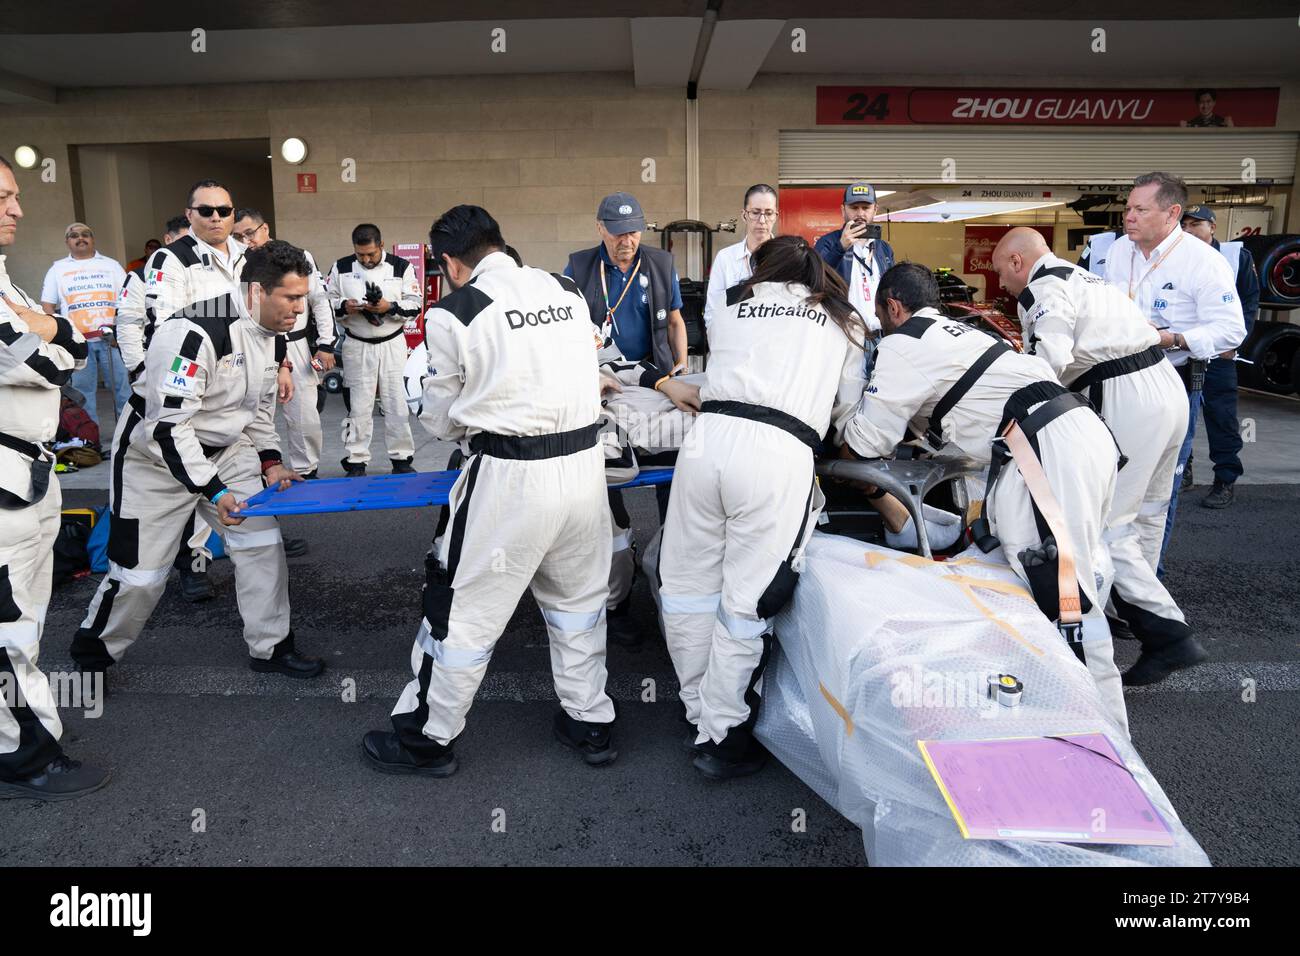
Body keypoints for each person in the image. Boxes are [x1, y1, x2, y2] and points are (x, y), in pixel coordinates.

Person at [363, 205, 616, 777]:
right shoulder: (567, 288)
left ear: (451, 263)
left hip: (509, 479)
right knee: (578, 606)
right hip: (584, 470)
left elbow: (442, 419)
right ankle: (590, 722)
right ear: (501, 243)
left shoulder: (455, 313)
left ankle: (427, 739)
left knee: (461, 615)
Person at [839, 263, 1129, 733]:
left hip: (1039, 450)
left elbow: (867, 440)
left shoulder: (902, 343)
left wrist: (841, 441)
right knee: (1069, 572)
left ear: (893, 306)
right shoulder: (968, 332)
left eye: (880, 317)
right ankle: (1051, 713)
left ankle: (1102, 735)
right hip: (1078, 433)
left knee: (1063, 593)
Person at [69, 241, 326, 685]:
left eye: (303, 297)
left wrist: (270, 462)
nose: (299, 310)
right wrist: (216, 492)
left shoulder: (272, 331)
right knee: (140, 578)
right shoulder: (191, 333)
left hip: (225, 453)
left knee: (262, 547)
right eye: (291, 298)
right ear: (255, 291)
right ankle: (94, 654)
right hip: (153, 461)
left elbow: (258, 407)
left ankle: (270, 647)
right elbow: (167, 427)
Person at [658, 236, 867, 779]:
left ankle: (695, 708)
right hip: (778, 452)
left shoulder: (731, 303)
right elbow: (846, 409)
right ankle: (722, 736)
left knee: (686, 586)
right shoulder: (843, 321)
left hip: (706, 442)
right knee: (746, 600)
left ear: (762, 268)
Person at [992, 227, 1203, 688]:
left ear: (1015, 262)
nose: (1004, 288)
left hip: (1122, 393)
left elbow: (1050, 360)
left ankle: (1165, 634)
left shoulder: (1044, 286)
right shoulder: (1088, 278)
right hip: (1166, 388)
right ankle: (1134, 616)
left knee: (1107, 526)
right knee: (1146, 516)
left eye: (1001, 275)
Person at [0, 156, 109, 800]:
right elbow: (46, 358)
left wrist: (51, 329)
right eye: (4, 197)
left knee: (28, 622)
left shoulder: (4, 278)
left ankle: (26, 735)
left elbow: (59, 340)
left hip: (34, 470)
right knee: (7, 628)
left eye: (16, 194)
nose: (17, 208)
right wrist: (57, 331)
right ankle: (23, 757)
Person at [1101, 173, 1245, 592]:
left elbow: (1230, 331)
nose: (1129, 217)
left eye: (1140, 210)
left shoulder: (1202, 261)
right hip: (1116, 383)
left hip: (1174, 381)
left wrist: (1173, 337)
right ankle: (1107, 580)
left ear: (1172, 214)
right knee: (1113, 485)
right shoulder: (1116, 253)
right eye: (1128, 208)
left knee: (1154, 494)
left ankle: (1144, 591)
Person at [564, 193, 692, 645]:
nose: (628, 241)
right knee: (608, 471)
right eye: (619, 233)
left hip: (654, 379)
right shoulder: (578, 268)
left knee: (671, 466)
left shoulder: (658, 262)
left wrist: (679, 366)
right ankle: (617, 582)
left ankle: (671, 565)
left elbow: (675, 319)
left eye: (635, 231)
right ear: (600, 228)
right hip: (602, 385)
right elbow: (569, 333)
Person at [234, 208, 336, 478]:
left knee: (304, 416)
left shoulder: (299, 258)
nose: (246, 241)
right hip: (252, 343)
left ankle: (307, 470)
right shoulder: (234, 262)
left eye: (249, 233)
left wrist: (325, 344)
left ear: (265, 229)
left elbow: (319, 301)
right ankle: (258, 470)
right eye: (238, 236)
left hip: (295, 343)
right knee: (252, 409)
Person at [324, 223, 421, 477]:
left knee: (396, 403)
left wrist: (389, 306)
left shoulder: (402, 267)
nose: (366, 259)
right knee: (358, 405)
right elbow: (325, 303)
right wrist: (345, 305)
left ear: (381, 245)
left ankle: (401, 459)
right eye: (360, 255)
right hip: (357, 343)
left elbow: (416, 305)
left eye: (371, 254)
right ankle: (356, 460)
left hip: (392, 342)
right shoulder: (341, 267)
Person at [1179, 205, 1260, 509]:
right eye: (1183, 224)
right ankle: (1182, 470)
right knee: (1178, 415)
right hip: (1182, 352)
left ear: (1212, 227)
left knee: (1221, 418)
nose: (1188, 229)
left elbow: (1250, 302)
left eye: (1195, 224)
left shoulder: (1235, 257)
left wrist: (1235, 343)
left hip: (1218, 354)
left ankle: (1224, 479)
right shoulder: (1177, 257)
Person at [40, 222, 130, 426]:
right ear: (67, 242)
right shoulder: (58, 269)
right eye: (74, 235)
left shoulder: (111, 265)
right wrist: (63, 337)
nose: (80, 238)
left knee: (123, 391)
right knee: (83, 394)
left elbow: (129, 299)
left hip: (112, 341)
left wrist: (122, 332)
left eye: (85, 234)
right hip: (79, 344)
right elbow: (47, 306)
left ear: (93, 239)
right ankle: (91, 444)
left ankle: (130, 439)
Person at [813, 182, 896, 333]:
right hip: (843, 332)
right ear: (843, 210)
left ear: (875, 210)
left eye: (865, 208)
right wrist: (841, 247)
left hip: (881, 332)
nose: (860, 214)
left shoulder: (883, 249)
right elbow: (814, 282)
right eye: (854, 208)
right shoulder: (828, 243)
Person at [703, 184, 778, 327]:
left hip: (773, 342)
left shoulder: (787, 257)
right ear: (744, 215)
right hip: (735, 342)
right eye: (755, 212)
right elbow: (713, 309)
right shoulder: (725, 258)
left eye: (768, 213)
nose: (762, 220)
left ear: (775, 216)